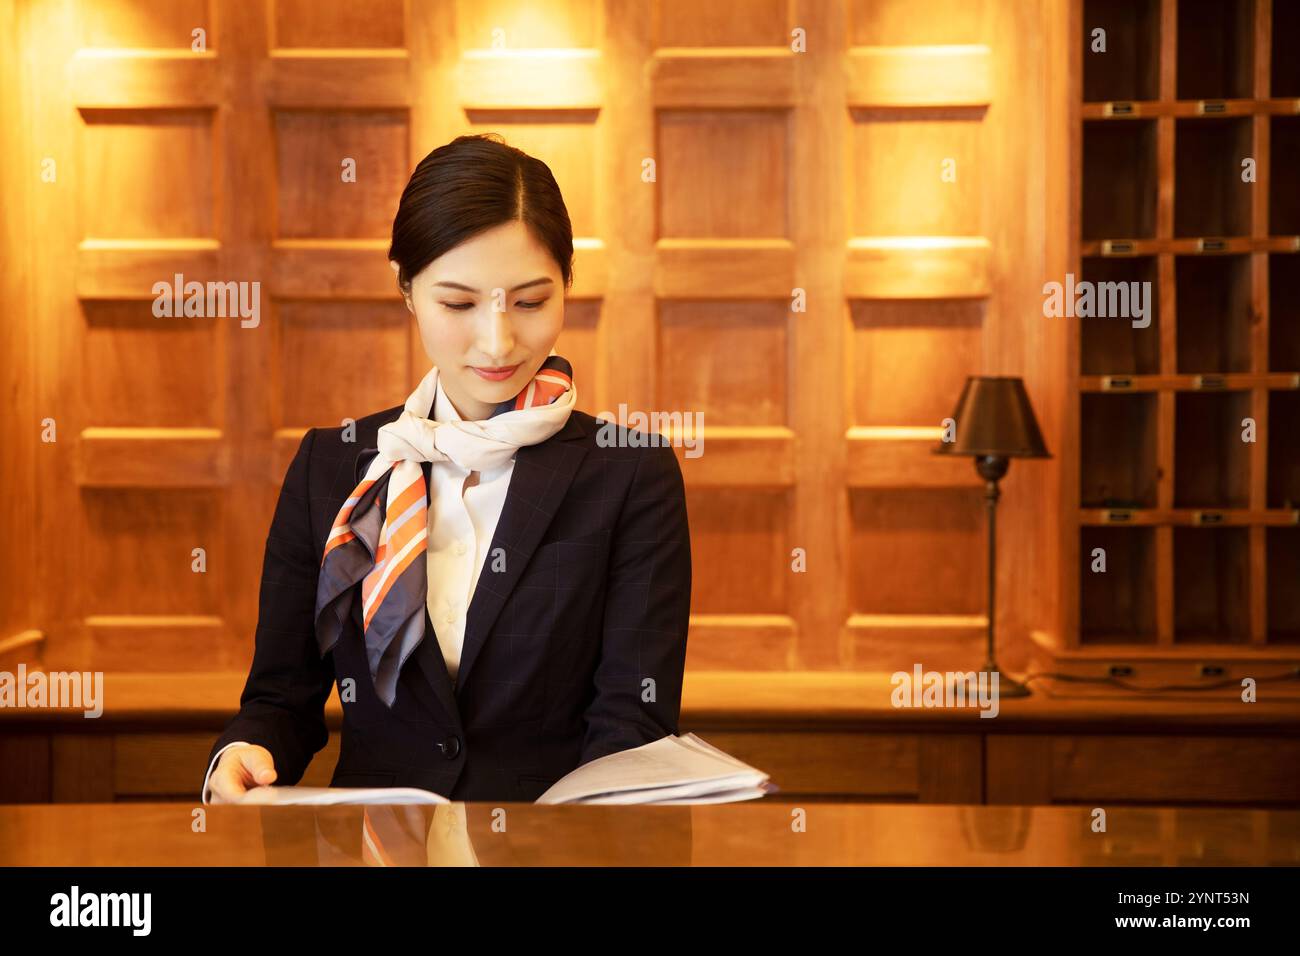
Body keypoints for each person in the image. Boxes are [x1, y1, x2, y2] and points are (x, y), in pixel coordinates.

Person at [203, 133, 691, 804]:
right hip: (371, 851)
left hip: (550, 856)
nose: (497, 341)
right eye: (458, 304)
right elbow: (281, 699)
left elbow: (630, 725)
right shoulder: (332, 466)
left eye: (530, 301)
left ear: (567, 288)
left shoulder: (631, 476)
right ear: (407, 290)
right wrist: (246, 751)